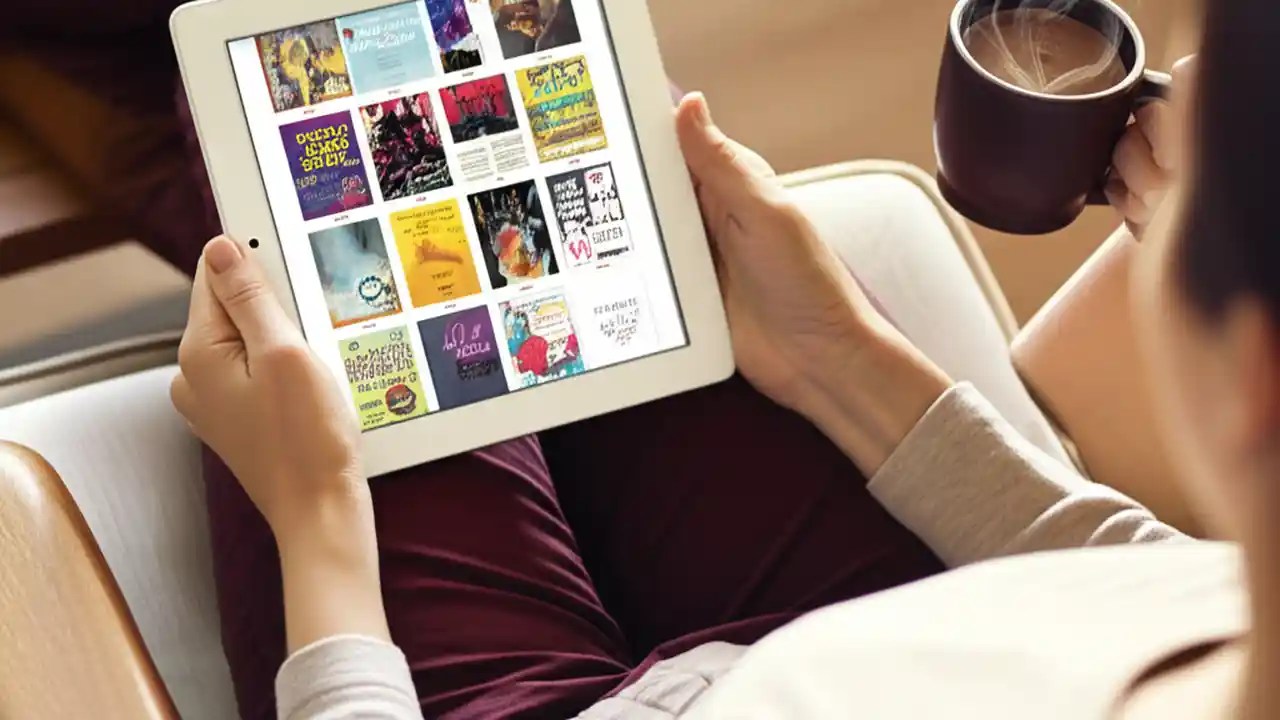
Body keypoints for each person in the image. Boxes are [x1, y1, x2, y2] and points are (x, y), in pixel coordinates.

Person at [172, 0, 1280, 714]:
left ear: (1250, 382)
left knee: (289, 151)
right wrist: (836, 358)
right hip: (923, 635)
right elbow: (1156, 594)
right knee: (593, 124)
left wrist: (318, 518)